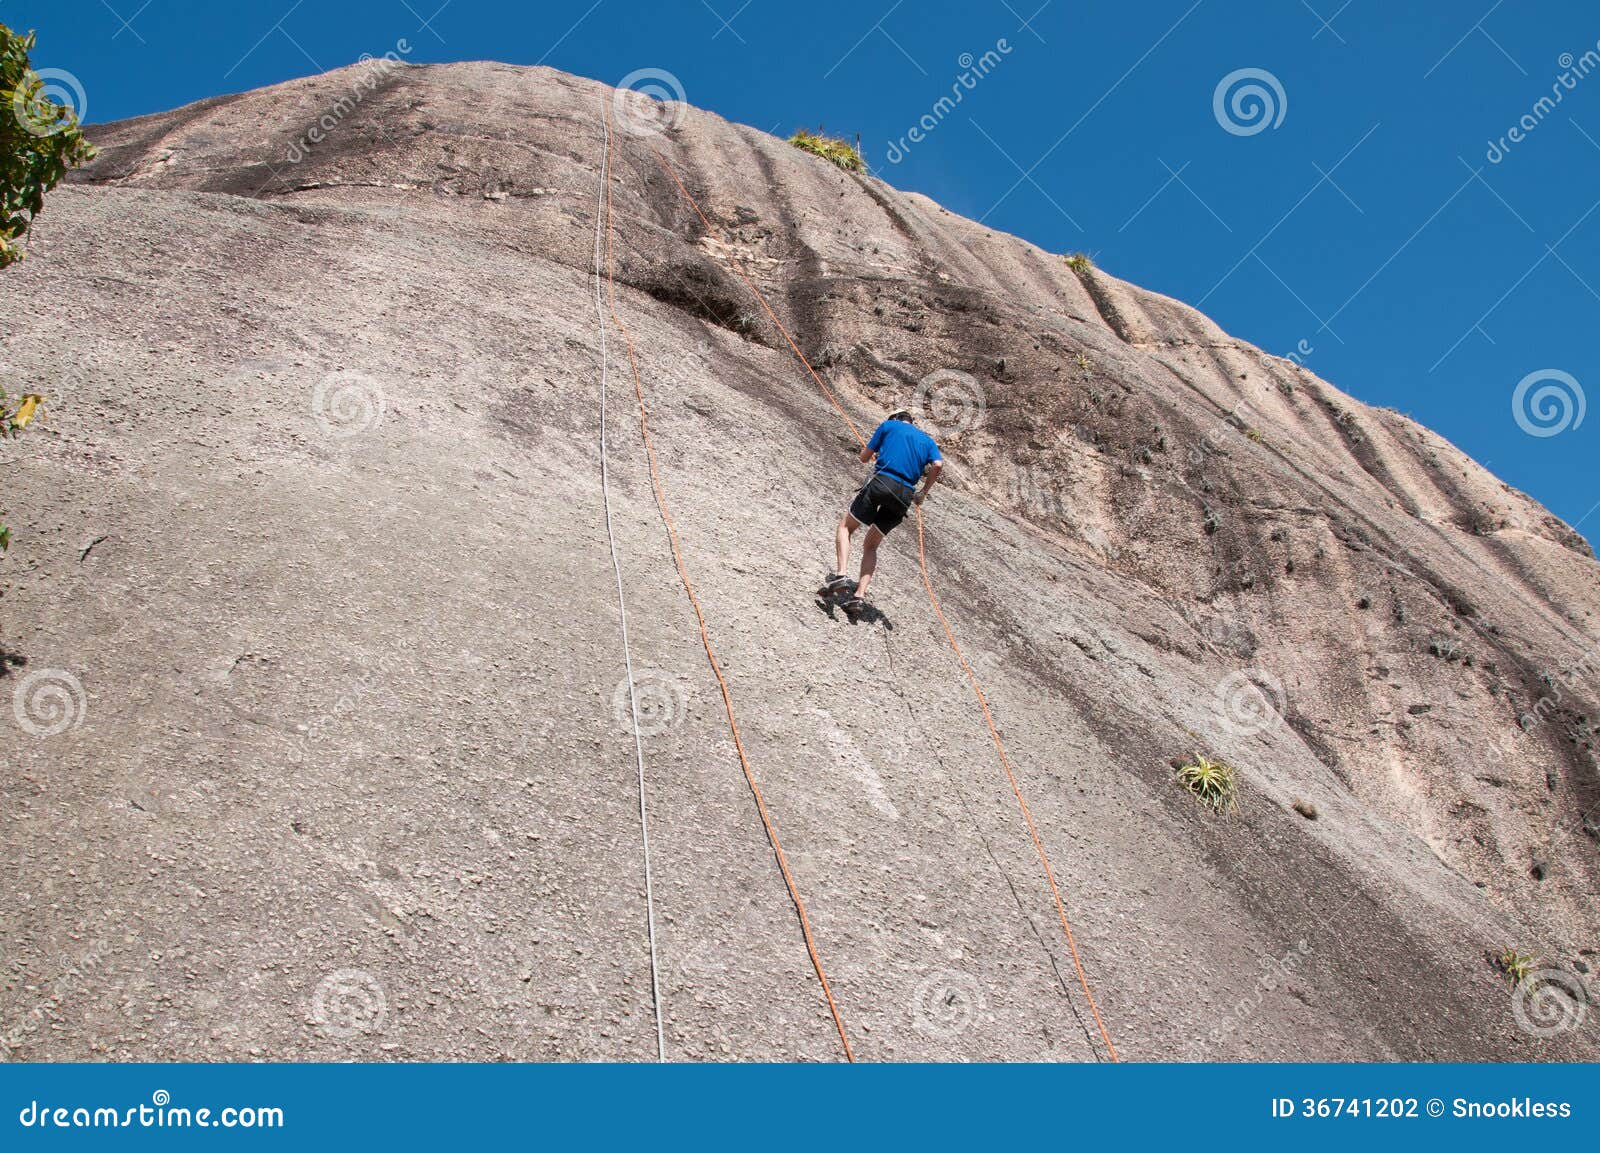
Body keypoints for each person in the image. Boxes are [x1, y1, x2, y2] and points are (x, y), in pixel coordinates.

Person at [822, 408, 943, 608]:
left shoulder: (889, 425)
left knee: (846, 527)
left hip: (882, 483)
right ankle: (859, 596)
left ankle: (841, 575)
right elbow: (937, 464)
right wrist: (923, 492)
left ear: (895, 418)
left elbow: (863, 457)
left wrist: (875, 455)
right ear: (911, 421)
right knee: (871, 545)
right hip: (904, 496)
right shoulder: (927, 440)